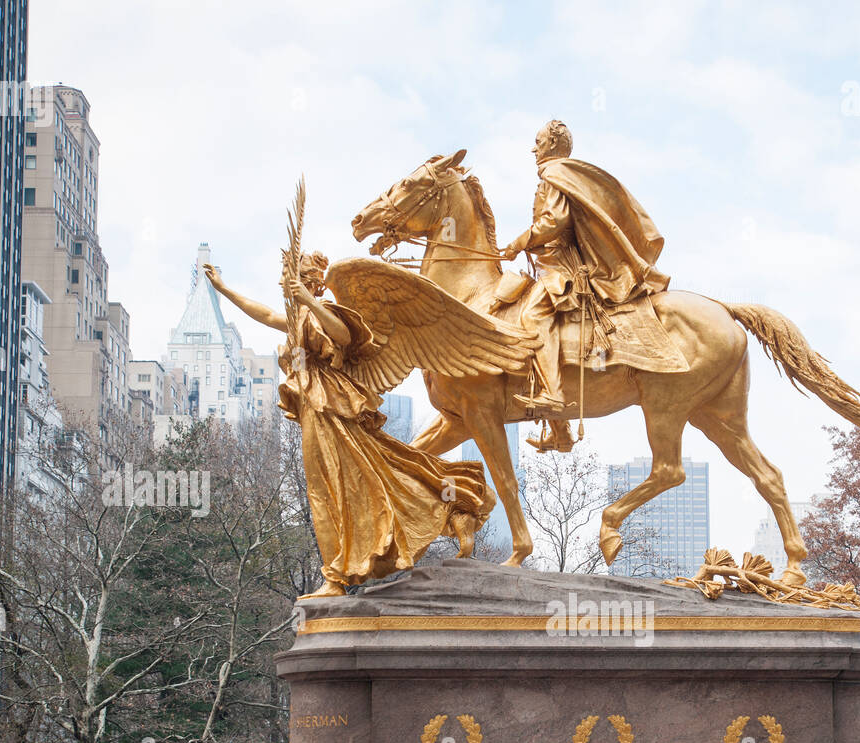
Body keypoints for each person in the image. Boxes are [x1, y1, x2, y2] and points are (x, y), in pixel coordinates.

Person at [204, 252, 493, 597]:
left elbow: (342, 336)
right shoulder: (298, 318)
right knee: (359, 479)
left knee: (337, 487)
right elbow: (264, 314)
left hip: (331, 407)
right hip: (316, 408)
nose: (282, 282)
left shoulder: (319, 310)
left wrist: (308, 299)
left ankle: (340, 577)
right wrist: (223, 289)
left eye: (287, 275)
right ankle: (449, 505)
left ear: (306, 279)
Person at [500, 119, 669, 445]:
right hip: (552, 263)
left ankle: (553, 394)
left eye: (537, 141)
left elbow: (556, 221)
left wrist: (521, 241)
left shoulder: (554, 173)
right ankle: (560, 430)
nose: (533, 149)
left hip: (564, 267)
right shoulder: (559, 175)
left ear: (551, 144)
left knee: (534, 316)